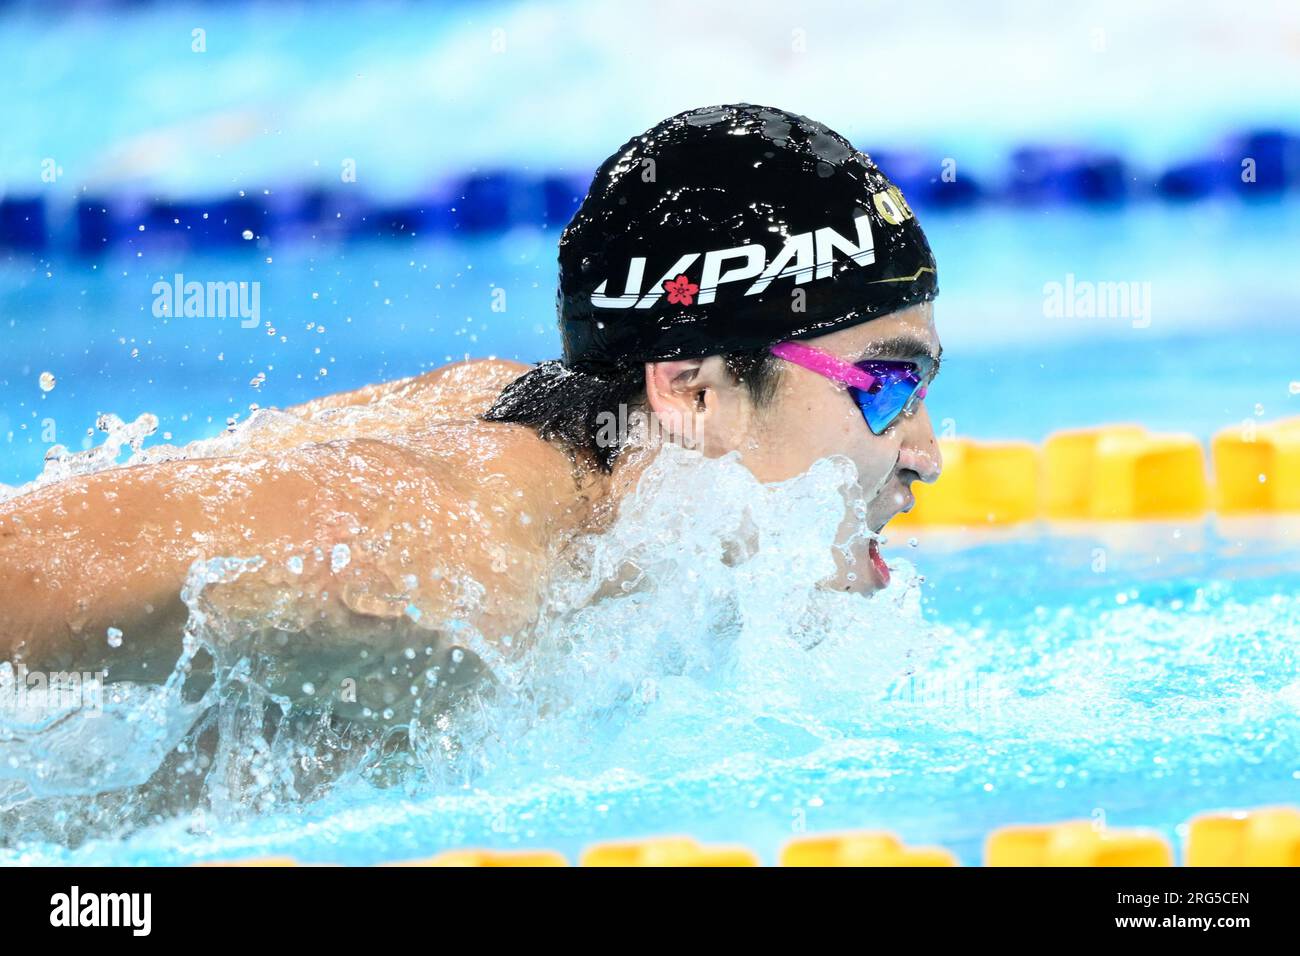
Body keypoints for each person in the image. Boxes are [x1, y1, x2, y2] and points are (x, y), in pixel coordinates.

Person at [0, 104, 943, 724]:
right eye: (889, 387)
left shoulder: (564, 451)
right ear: (692, 390)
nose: (928, 455)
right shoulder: (436, 562)